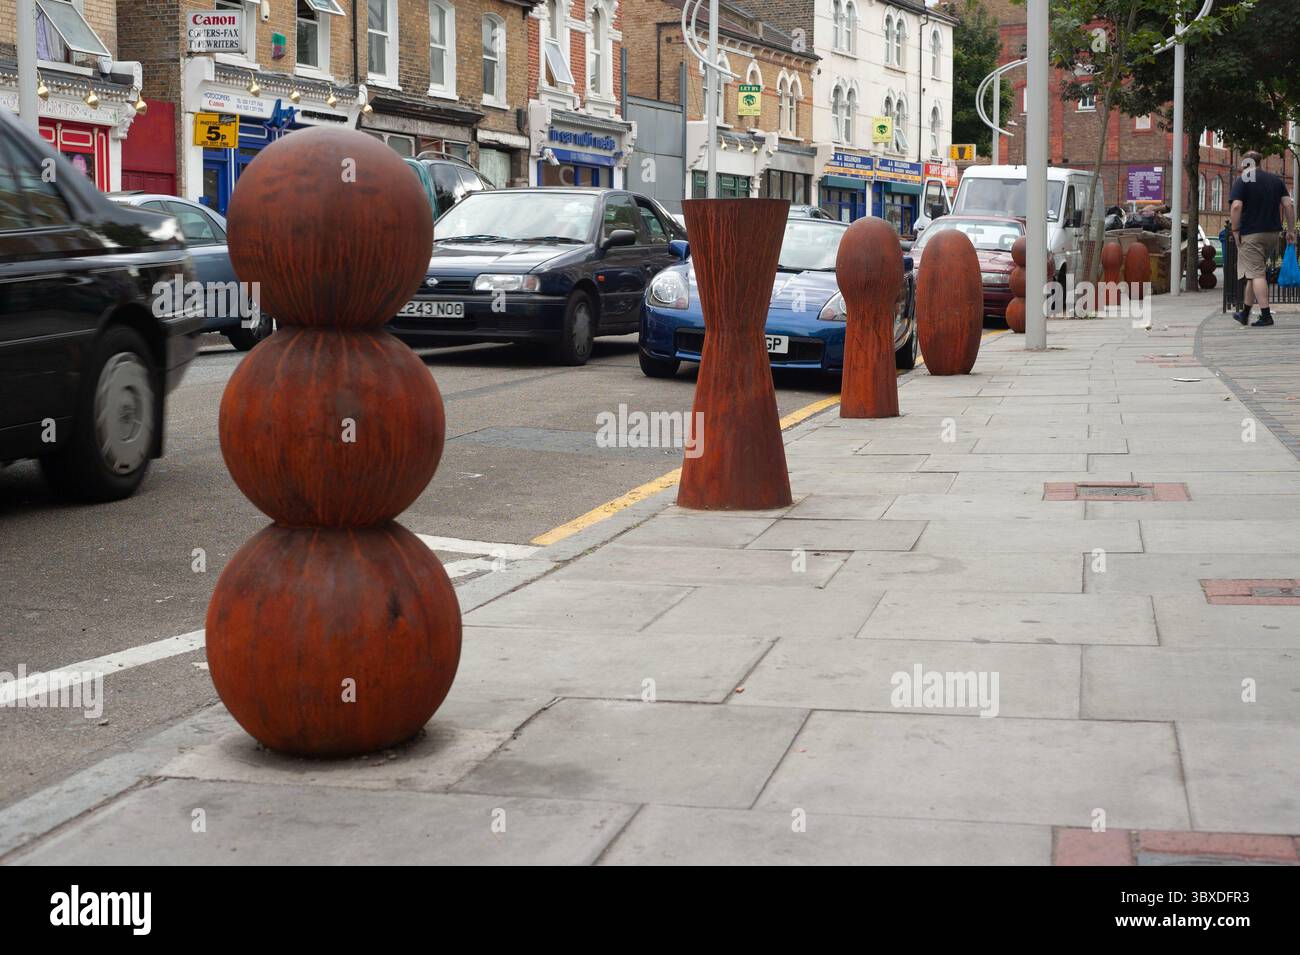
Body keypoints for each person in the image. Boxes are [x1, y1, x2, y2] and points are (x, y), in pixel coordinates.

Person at [1229, 150, 1297, 327]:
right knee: (1253, 272)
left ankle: (1266, 315)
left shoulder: (1243, 180)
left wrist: (1235, 229)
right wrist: (1291, 230)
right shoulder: (1275, 180)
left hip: (1251, 234)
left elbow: (1236, 206)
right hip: (1272, 234)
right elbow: (1289, 205)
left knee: (1257, 274)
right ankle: (1244, 313)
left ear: (1245, 163)